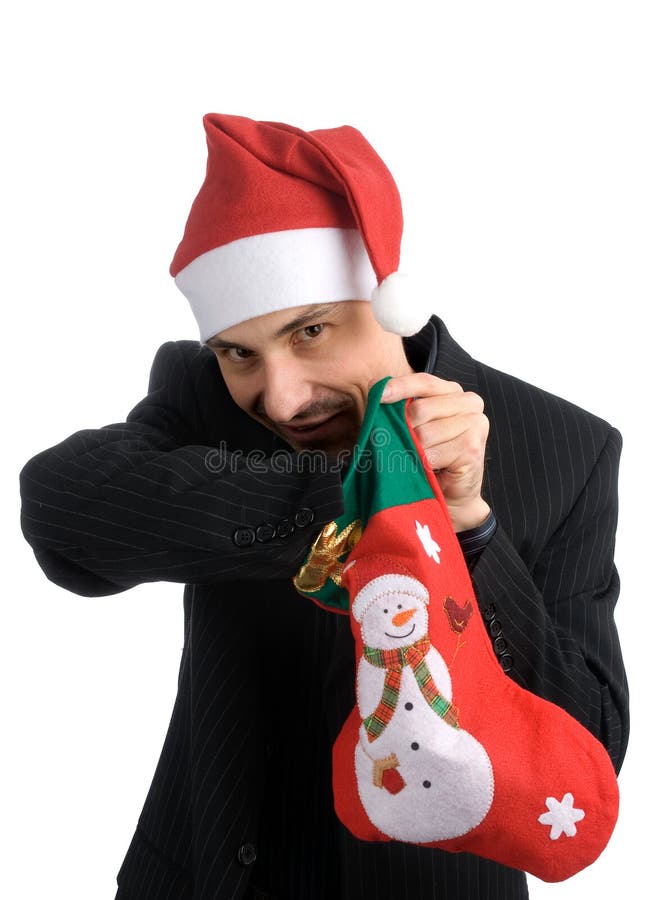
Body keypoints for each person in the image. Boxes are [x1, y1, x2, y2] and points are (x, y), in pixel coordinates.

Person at [19, 113, 629, 900]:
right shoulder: (207, 403)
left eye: (310, 331)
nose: (279, 396)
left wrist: (472, 526)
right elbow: (67, 517)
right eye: (239, 352)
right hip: (207, 876)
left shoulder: (567, 446)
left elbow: (588, 746)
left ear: (388, 303)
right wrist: (381, 489)